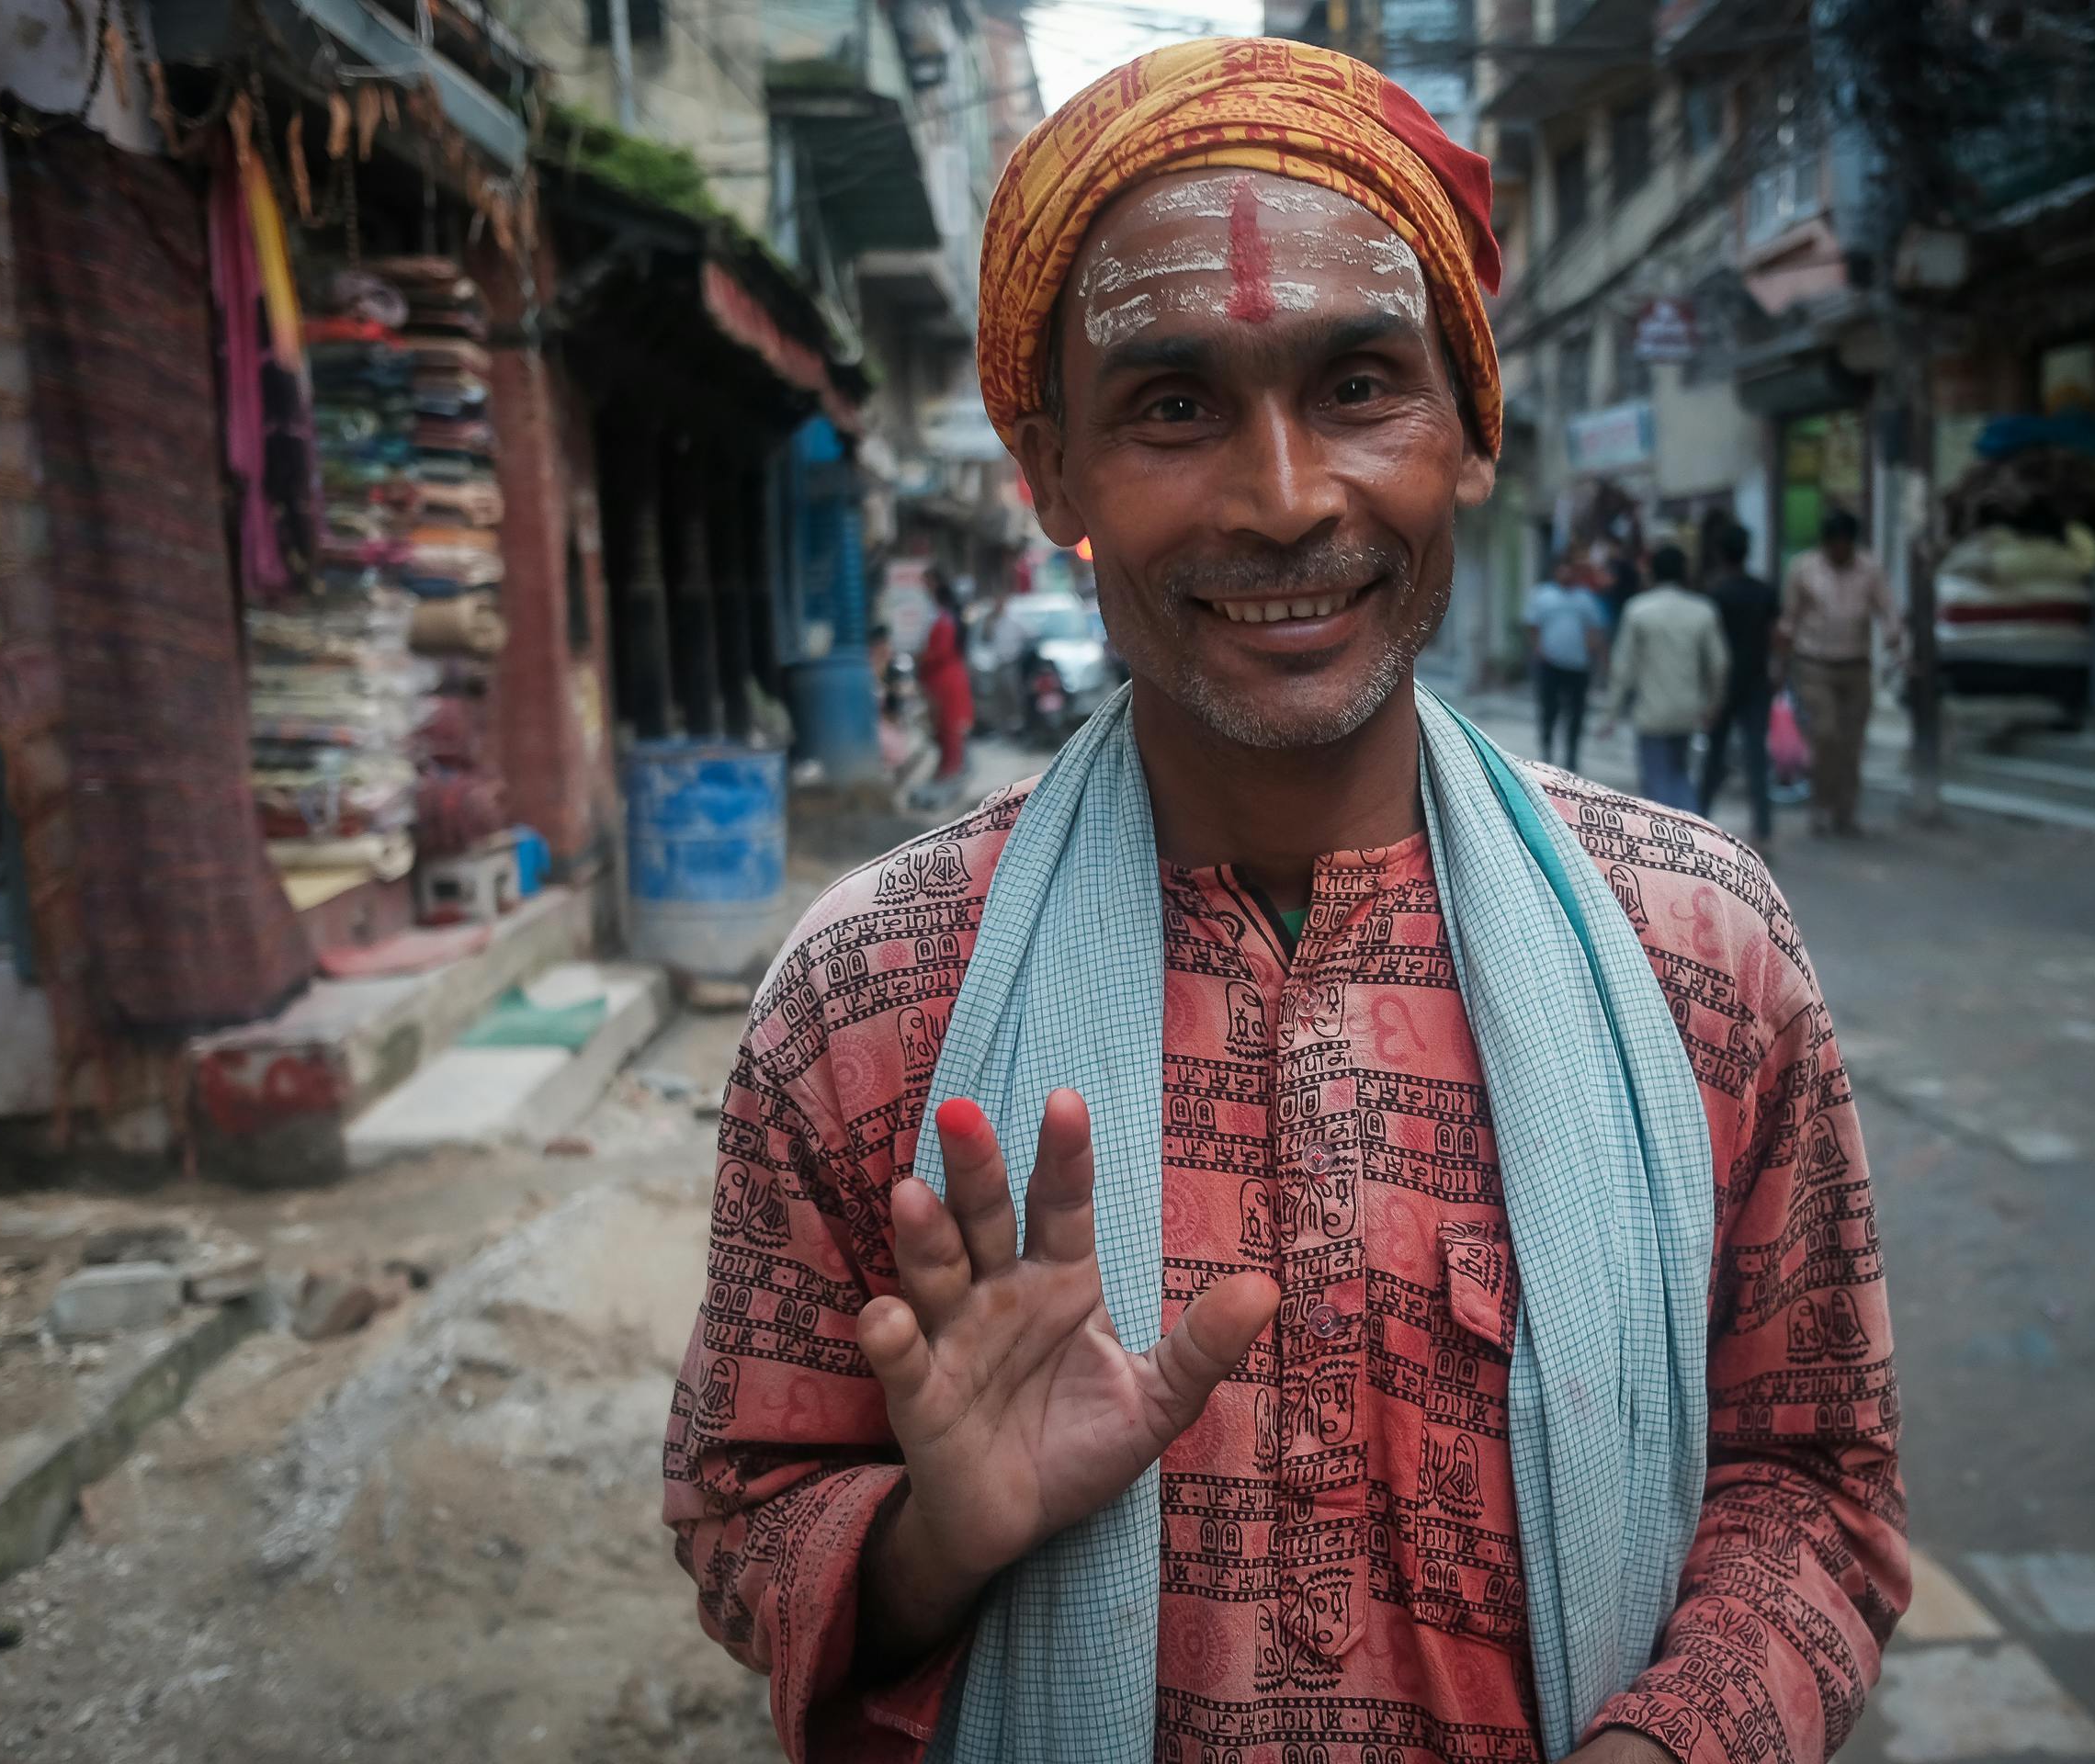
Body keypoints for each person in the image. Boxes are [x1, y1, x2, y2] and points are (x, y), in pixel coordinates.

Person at [664, 39, 1905, 1764]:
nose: (1285, 496)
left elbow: (1815, 1484)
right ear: (1051, 475)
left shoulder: (1702, 947)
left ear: (1469, 421)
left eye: (1359, 387)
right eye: (1173, 405)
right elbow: (745, 1513)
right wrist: (934, 1540)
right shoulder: (870, 994)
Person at [1776, 509, 1899, 837]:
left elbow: (1886, 608)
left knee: (1852, 744)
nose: (1840, 551)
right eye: (1835, 545)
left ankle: (1846, 813)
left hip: (1856, 666)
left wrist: (1894, 638)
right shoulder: (1803, 569)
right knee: (1826, 736)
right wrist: (1779, 661)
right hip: (1815, 665)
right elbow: (1790, 617)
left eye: (1846, 544)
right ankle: (1821, 806)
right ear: (1826, 544)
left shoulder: (1870, 569)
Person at [1600, 542, 1727, 812]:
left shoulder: (1638, 610)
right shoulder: (1702, 610)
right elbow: (1720, 663)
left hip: (1651, 714)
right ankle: (1694, 837)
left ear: (1653, 572)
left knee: (1657, 785)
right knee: (1681, 776)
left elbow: (1623, 668)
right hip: (1689, 711)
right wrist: (1712, 705)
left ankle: (1668, 845)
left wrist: (1611, 714)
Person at [1698, 519, 1781, 850]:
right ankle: (1763, 830)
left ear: (1720, 553)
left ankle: (1699, 822)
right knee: (1756, 757)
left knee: (1713, 756)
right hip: (1756, 683)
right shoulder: (1764, 590)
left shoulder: (1713, 593)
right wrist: (1779, 671)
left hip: (1721, 686)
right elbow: (1777, 636)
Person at [1522, 561, 1610, 771]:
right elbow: (1532, 626)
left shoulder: (1585, 598)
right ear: (1556, 570)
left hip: (1578, 666)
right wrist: (1538, 649)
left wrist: (1594, 653)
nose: (1566, 572)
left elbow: (1595, 629)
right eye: (1563, 567)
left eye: (1570, 569)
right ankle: (1547, 750)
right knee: (1549, 710)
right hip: (1550, 664)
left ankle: (1572, 755)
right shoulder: (1543, 595)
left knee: (1576, 714)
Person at [917, 569, 976, 784]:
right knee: (946, 726)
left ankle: (951, 771)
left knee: (949, 725)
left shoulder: (944, 619)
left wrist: (922, 659)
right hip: (947, 677)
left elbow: (940, 652)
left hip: (946, 679)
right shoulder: (946, 616)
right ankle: (949, 769)